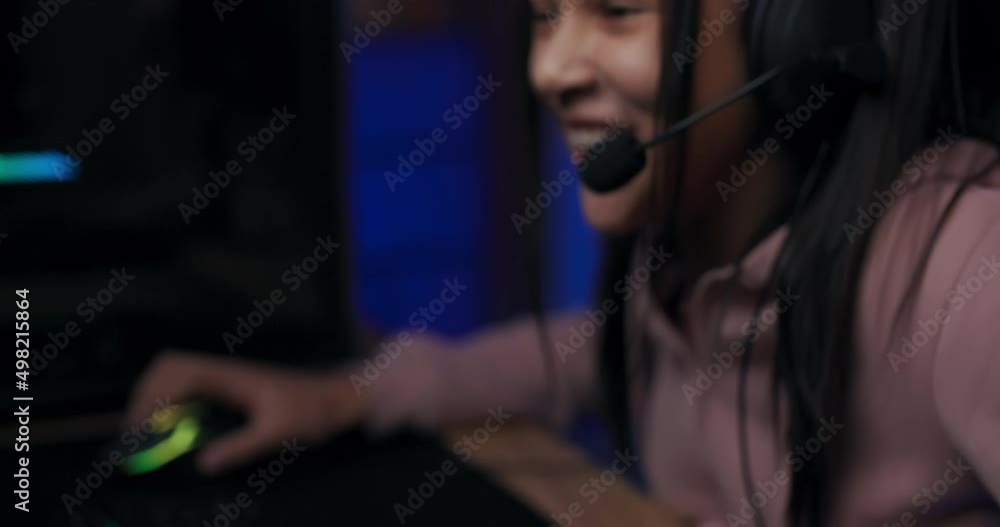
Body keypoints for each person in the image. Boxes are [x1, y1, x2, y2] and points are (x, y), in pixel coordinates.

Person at [126, 0, 1000, 525]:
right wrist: (347, 393)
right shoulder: (685, 264)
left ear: (797, 32)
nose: (552, 68)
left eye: (617, 10)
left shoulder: (964, 257)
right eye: (545, 16)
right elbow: (602, 352)